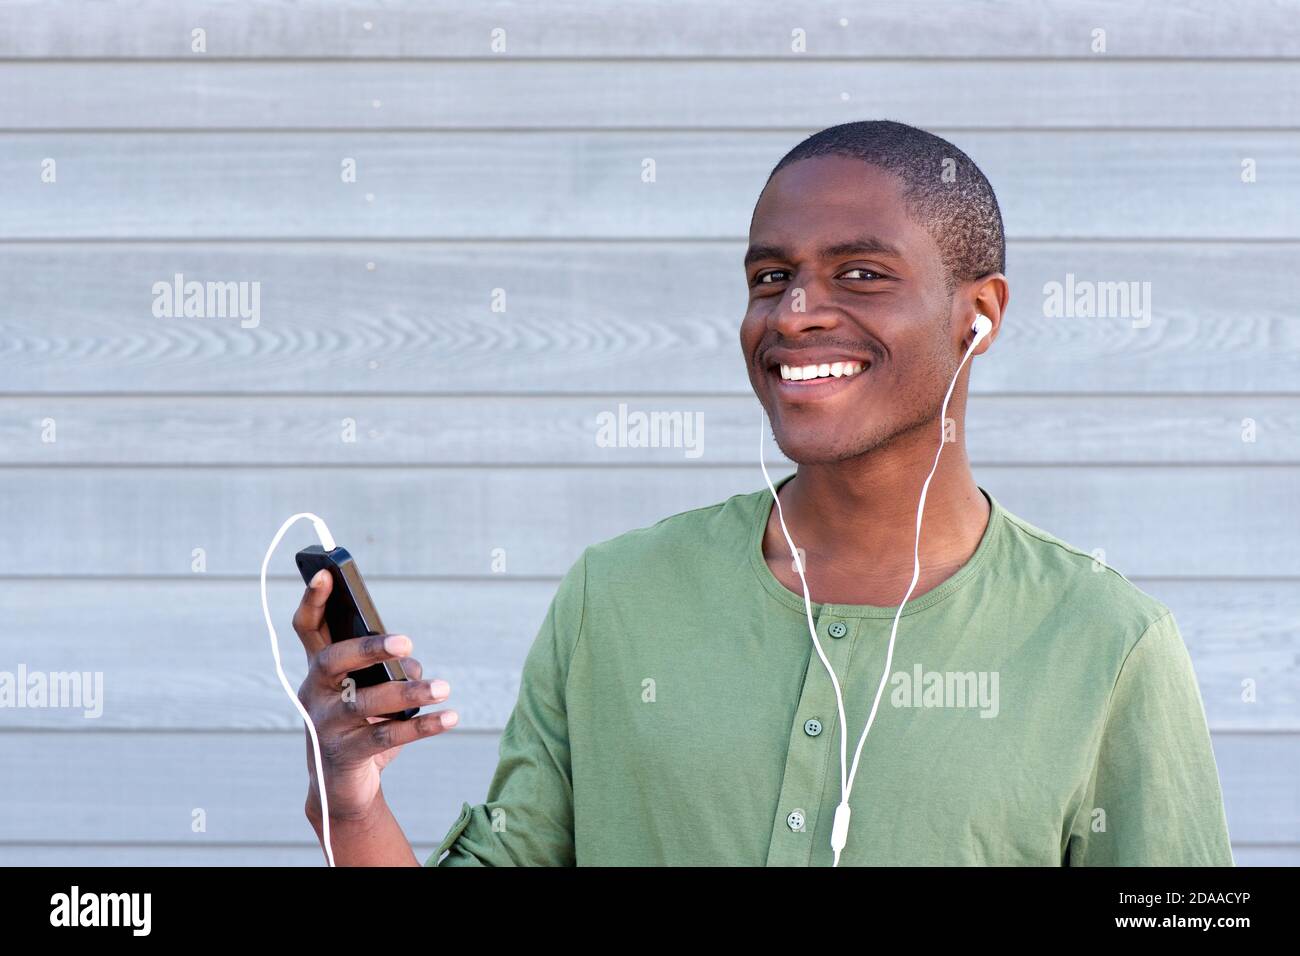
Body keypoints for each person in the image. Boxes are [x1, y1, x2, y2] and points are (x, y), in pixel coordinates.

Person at [293, 120, 1234, 866]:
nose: (796, 313)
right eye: (770, 277)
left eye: (860, 274)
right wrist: (350, 802)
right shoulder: (616, 599)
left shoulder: (1108, 646)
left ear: (978, 316)